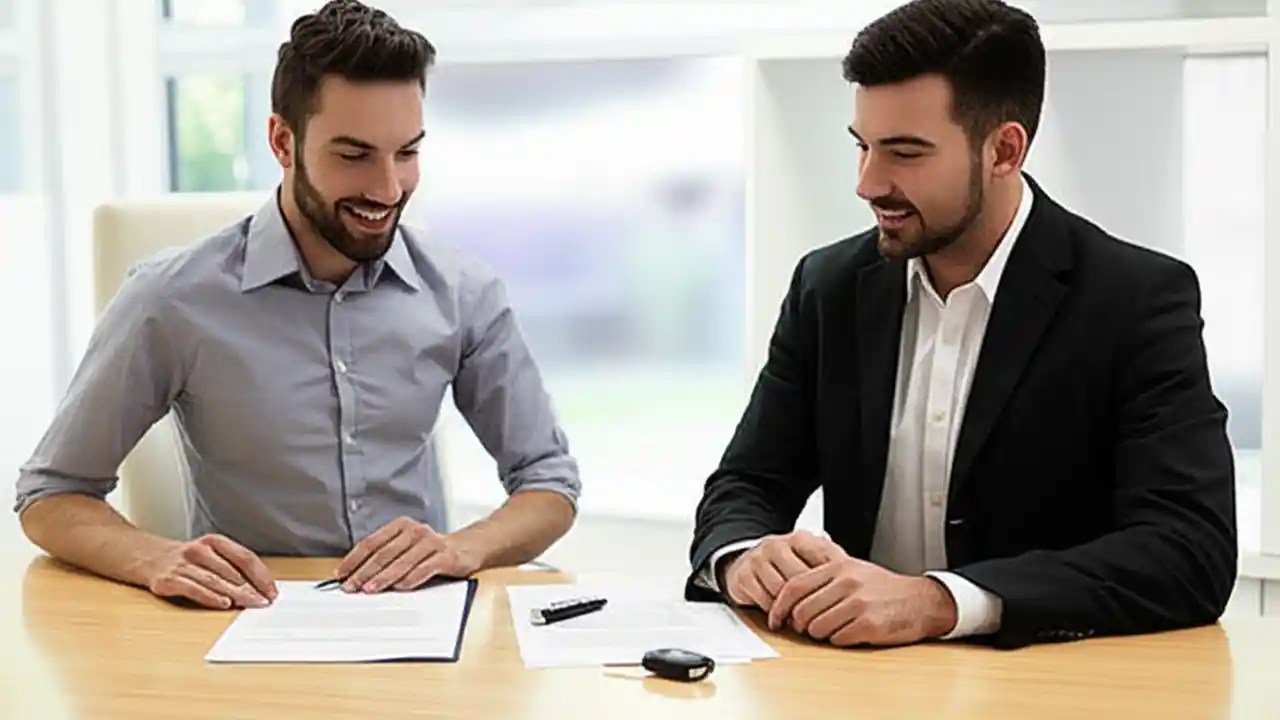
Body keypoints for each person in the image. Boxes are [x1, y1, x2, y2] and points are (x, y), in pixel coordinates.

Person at [686, 0, 1236, 649]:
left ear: (1004, 149)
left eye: (905, 153)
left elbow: (1187, 551)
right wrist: (746, 555)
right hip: (852, 684)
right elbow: (747, 482)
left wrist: (941, 602)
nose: (868, 183)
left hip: (1047, 688)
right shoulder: (827, 286)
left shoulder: (1135, 298)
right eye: (863, 146)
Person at [15, 0, 579, 611]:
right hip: (246, 623)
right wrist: (158, 558)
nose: (388, 190)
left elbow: (549, 483)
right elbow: (52, 495)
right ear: (283, 142)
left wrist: (462, 548)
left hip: (421, 625)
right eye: (354, 155)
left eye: (407, 153)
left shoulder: (464, 293)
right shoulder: (171, 299)